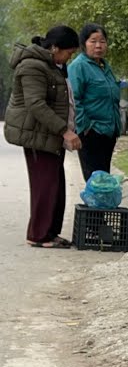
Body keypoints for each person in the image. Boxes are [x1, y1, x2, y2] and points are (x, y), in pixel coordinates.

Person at [4, 26, 82, 248]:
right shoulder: (32, 66)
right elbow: (36, 104)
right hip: (37, 134)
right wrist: (64, 130)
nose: (69, 57)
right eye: (68, 52)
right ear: (54, 47)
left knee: (55, 185)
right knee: (44, 185)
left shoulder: (53, 66)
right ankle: (38, 234)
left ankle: (50, 233)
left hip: (51, 135)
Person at [68, 23, 122, 181]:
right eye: (93, 41)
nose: (98, 45)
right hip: (91, 132)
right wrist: (85, 127)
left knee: (104, 176)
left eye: (102, 41)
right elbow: (74, 99)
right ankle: (94, 205)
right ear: (84, 44)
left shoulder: (105, 66)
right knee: (95, 180)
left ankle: (102, 205)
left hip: (109, 132)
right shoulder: (78, 67)